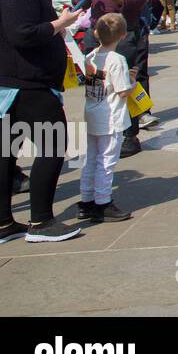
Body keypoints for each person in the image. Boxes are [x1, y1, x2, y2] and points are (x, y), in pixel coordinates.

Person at [0, 0, 84, 244]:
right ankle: (41, 220)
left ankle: (1, 225)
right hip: (26, 84)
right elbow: (22, 35)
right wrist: (60, 23)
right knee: (53, 147)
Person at [83, 0, 155, 158]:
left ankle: (130, 134)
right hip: (96, 35)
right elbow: (89, 0)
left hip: (125, 34)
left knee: (125, 84)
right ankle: (99, 128)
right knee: (96, 85)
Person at [78, 13, 134, 223]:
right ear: (123, 36)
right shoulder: (117, 60)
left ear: (96, 33)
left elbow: (97, 86)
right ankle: (102, 202)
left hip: (93, 111)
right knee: (107, 160)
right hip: (111, 116)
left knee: (91, 158)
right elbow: (122, 91)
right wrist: (133, 83)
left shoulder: (91, 56)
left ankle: (86, 200)